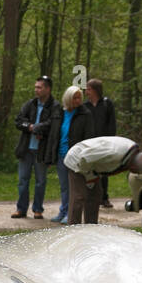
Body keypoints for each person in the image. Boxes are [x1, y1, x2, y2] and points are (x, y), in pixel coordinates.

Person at [65, 135, 142, 225]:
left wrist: (92, 178)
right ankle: (72, 228)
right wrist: (89, 177)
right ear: (133, 167)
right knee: (79, 196)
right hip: (77, 159)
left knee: (95, 195)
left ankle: (91, 227)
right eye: (137, 172)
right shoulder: (113, 152)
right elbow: (84, 157)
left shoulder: (132, 153)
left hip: (91, 164)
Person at [43, 85, 91, 222]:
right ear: (68, 98)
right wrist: (50, 156)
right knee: (64, 186)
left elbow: (88, 136)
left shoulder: (84, 114)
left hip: (75, 156)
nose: (78, 100)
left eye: (79, 98)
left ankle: (70, 214)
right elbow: (54, 135)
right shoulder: (59, 113)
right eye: (75, 98)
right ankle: (63, 211)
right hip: (61, 155)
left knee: (74, 188)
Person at [11, 75, 55, 219]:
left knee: (40, 181)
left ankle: (38, 209)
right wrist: (30, 127)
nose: (36, 90)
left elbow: (53, 124)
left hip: (41, 151)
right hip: (26, 149)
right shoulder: (30, 104)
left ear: (47, 89)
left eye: (39, 87)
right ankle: (21, 209)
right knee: (23, 180)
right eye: (35, 87)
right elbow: (18, 121)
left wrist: (38, 128)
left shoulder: (55, 106)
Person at [83, 79, 117, 207]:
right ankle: (90, 197)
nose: (86, 92)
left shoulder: (107, 104)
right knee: (89, 171)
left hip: (104, 143)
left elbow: (111, 124)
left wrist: (110, 141)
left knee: (103, 172)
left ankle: (104, 197)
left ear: (96, 90)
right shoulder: (85, 106)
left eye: (89, 89)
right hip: (89, 143)